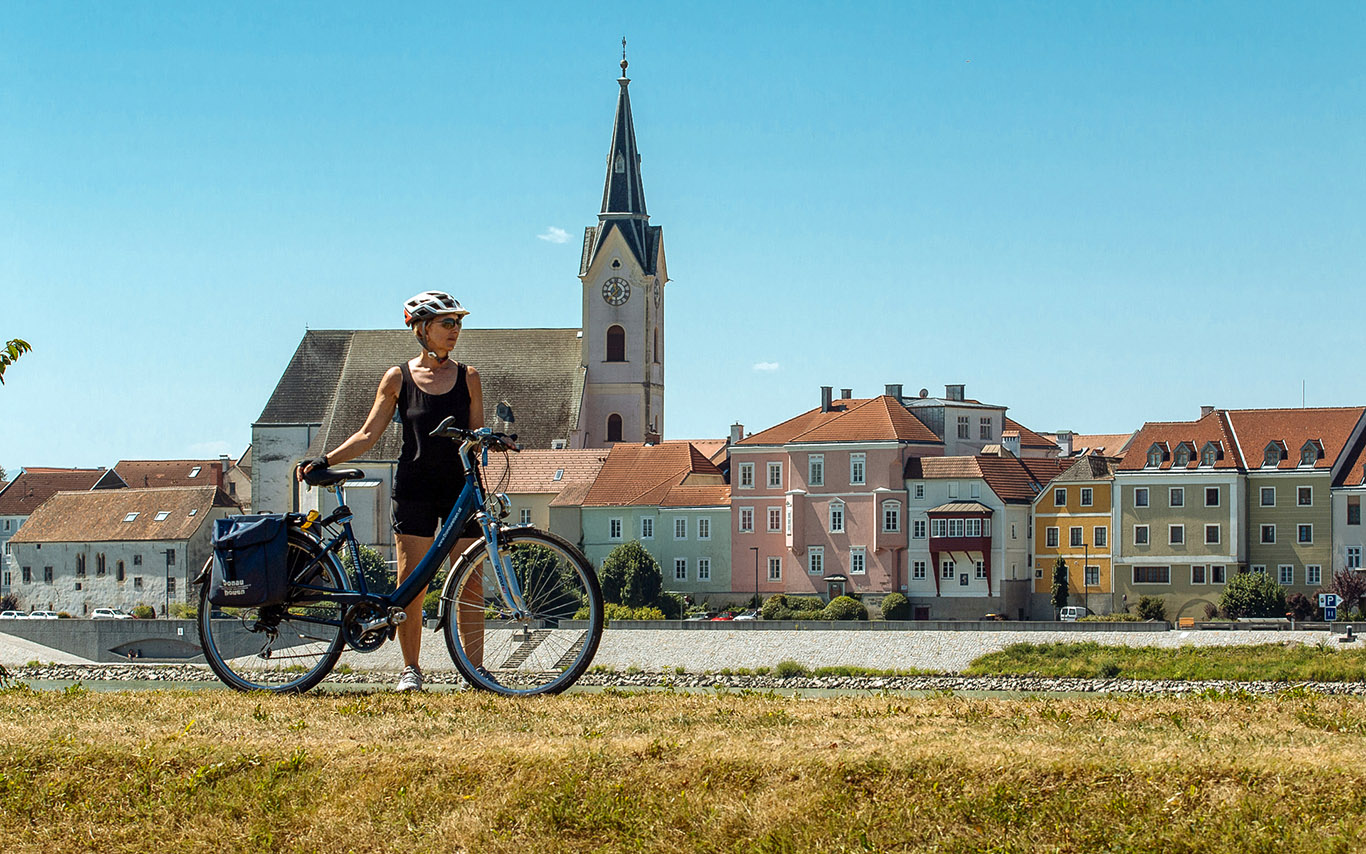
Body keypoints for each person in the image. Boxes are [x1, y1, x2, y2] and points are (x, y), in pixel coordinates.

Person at [297, 291, 483, 692]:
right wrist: (324, 459)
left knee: (470, 581)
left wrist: (491, 442)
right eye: (447, 323)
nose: (455, 331)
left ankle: (476, 673)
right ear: (421, 329)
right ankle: (411, 670)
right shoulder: (398, 377)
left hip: (458, 488)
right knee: (412, 582)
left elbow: (475, 436)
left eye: (458, 324)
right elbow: (368, 433)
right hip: (414, 486)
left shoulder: (469, 377)